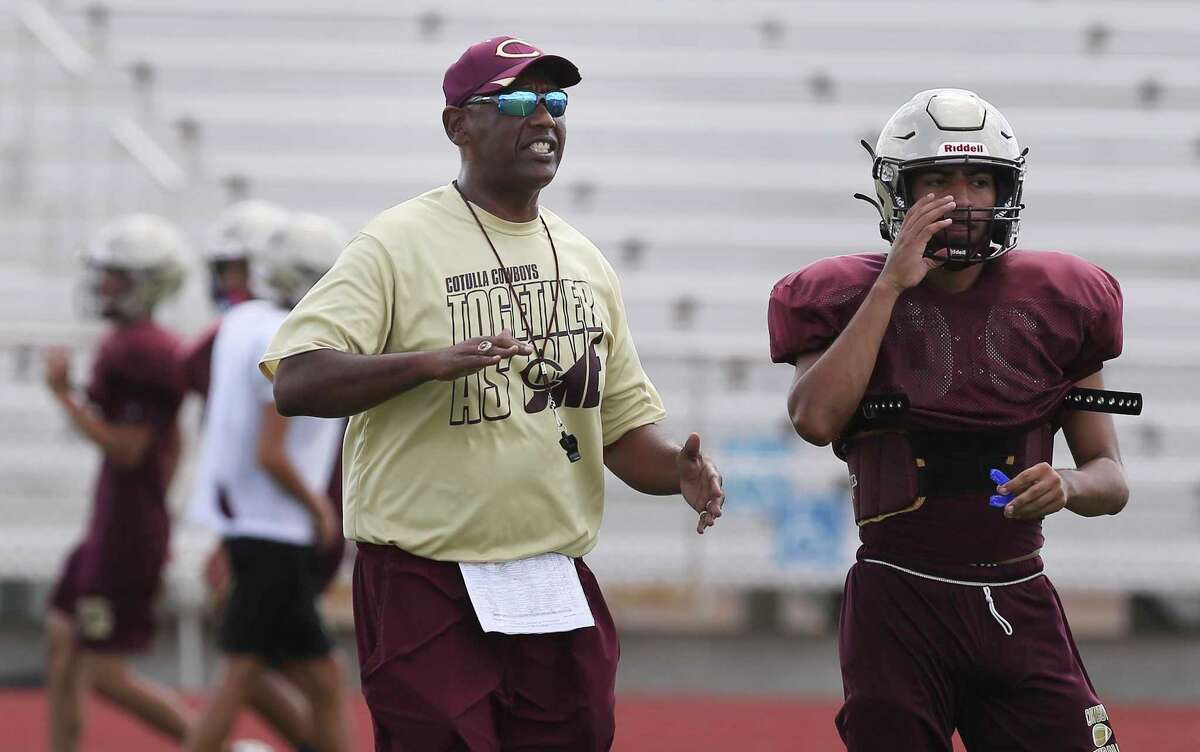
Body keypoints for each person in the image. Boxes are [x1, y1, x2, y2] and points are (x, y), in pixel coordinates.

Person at [259, 36, 726, 751]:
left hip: (550, 578)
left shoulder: (585, 259)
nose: (542, 118)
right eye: (514, 101)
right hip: (426, 577)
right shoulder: (395, 243)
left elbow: (624, 434)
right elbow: (297, 377)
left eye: (554, 101)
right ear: (459, 126)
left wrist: (678, 472)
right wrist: (425, 364)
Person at [769, 88, 1131, 751]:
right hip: (898, 600)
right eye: (938, 180)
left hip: (1017, 596)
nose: (962, 199)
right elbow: (816, 420)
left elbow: (1110, 477)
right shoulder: (845, 294)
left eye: (980, 180)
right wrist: (891, 286)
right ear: (897, 193)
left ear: (1006, 192)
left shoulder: (1062, 301)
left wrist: (1068, 486)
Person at [185, 214, 353, 752]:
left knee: (318, 678)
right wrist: (319, 508)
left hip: (251, 527)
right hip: (273, 532)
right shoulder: (288, 337)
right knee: (240, 678)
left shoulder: (244, 321)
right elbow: (271, 452)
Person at [43, 214, 194, 751]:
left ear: (146, 281)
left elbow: (129, 449)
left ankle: (215, 743)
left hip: (125, 530)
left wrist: (64, 396)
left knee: (104, 672)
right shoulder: (129, 342)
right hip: (111, 522)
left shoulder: (145, 350)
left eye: (116, 275)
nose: (102, 284)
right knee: (62, 639)